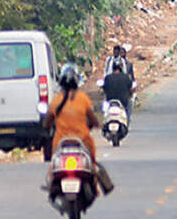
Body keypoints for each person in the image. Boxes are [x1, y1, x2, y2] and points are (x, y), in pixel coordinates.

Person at [44, 63, 113, 194]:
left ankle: (52, 185)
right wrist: (93, 125)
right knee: (92, 163)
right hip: (83, 139)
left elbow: (47, 123)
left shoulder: (56, 100)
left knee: (53, 164)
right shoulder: (83, 99)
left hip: (60, 141)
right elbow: (93, 120)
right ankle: (95, 186)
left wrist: (48, 127)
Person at [101, 58, 135, 122]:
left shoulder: (108, 77)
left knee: (102, 104)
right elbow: (130, 90)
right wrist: (130, 94)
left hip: (110, 101)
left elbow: (104, 90)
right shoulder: (126, 77)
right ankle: (127, 120)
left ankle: (105, 120)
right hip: (123, 102)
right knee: (130, 103)